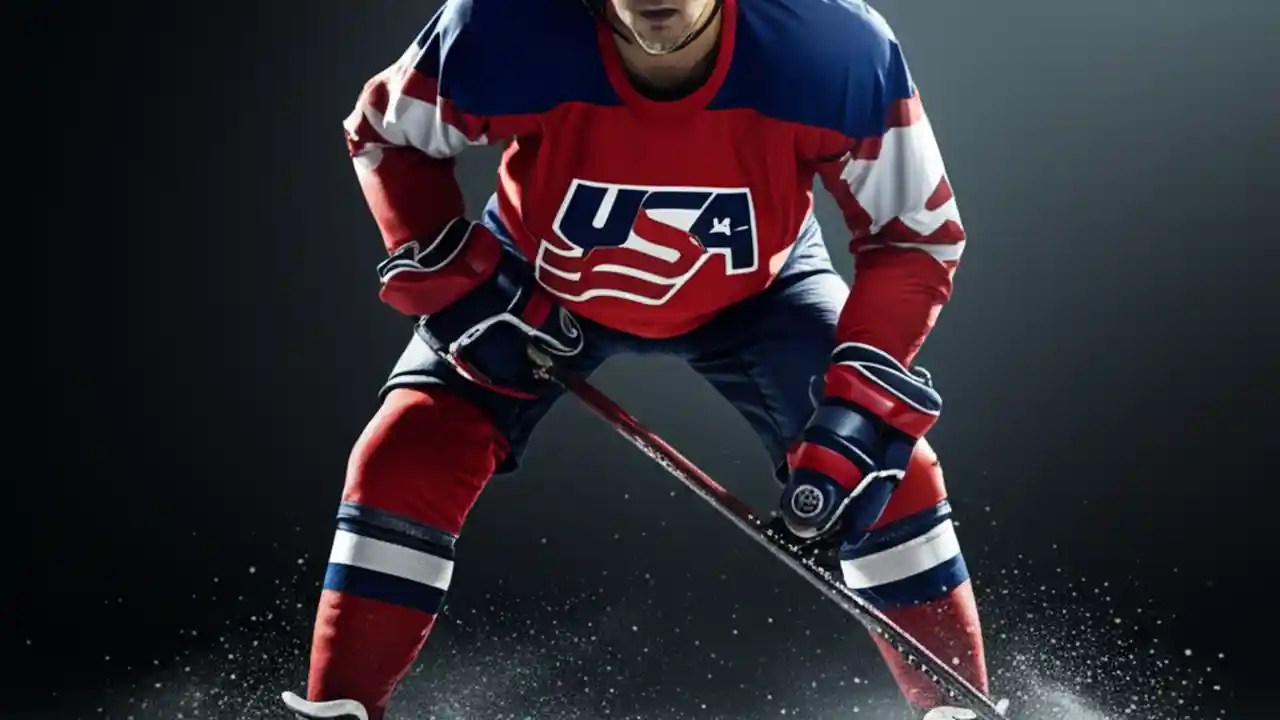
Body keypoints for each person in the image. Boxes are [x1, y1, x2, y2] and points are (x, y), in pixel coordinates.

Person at [282, 1, 990, 718]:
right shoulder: (498, 26)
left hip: (762, 290)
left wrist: (858, 401)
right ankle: (339, 709)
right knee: (404, 454)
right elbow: (384, 136)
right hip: (536, 285)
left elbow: (914, 235)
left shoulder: (836, 45)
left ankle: (951, 711)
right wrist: (460, 279)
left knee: (885, 469)